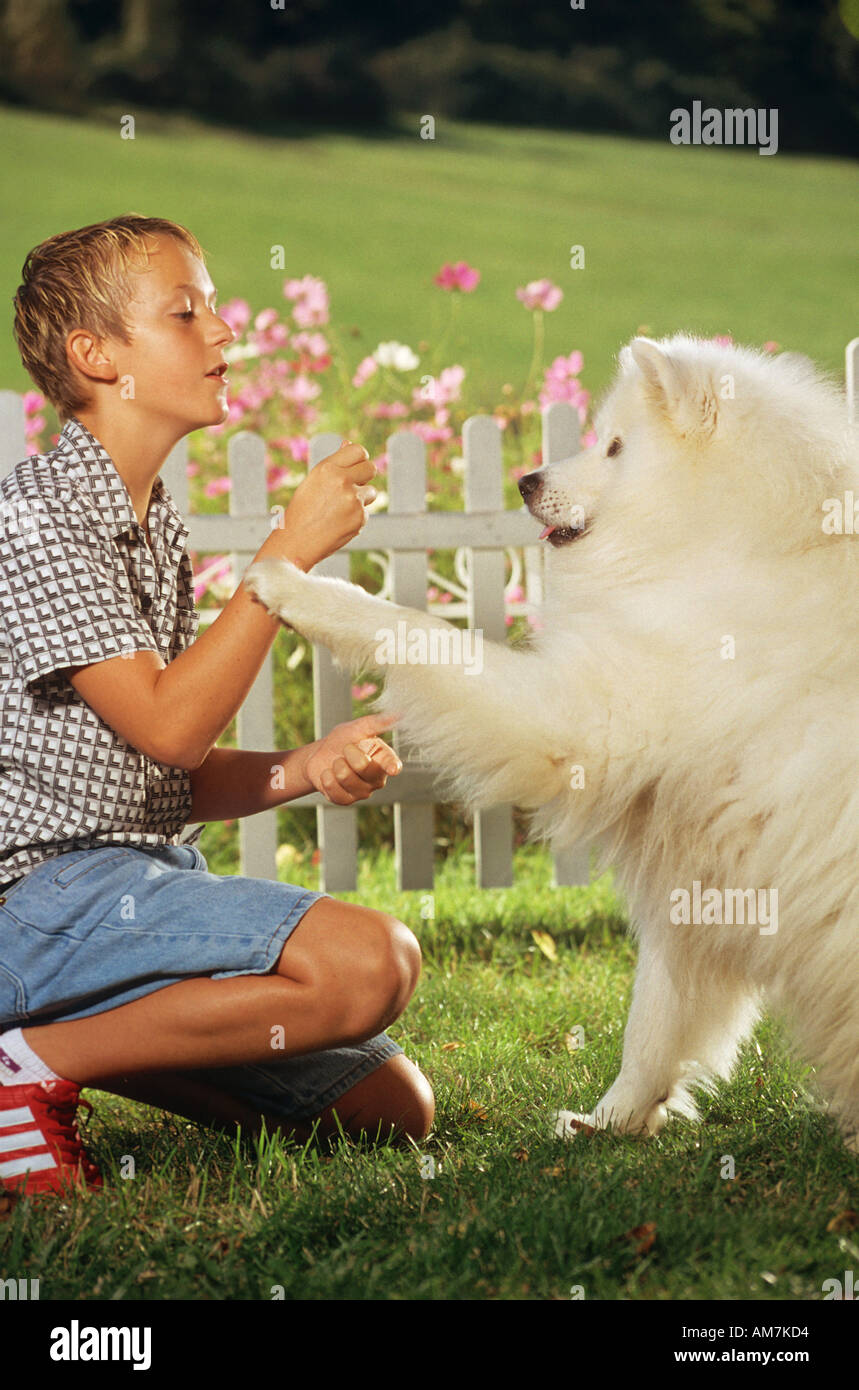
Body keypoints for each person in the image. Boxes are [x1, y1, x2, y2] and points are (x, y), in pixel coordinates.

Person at [0, 214, 434, 1196]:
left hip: (130, 884)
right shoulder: (36, 518)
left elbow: (164, 769)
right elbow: (169, 723)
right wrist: (280, 563)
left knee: (390, 1110)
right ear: (97, 356)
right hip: (37, 906)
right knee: (371, 966)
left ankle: (61, 1050)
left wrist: (304, 768)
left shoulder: (148, 521)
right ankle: (28, 1071)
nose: (224, 332)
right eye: (184, 310)